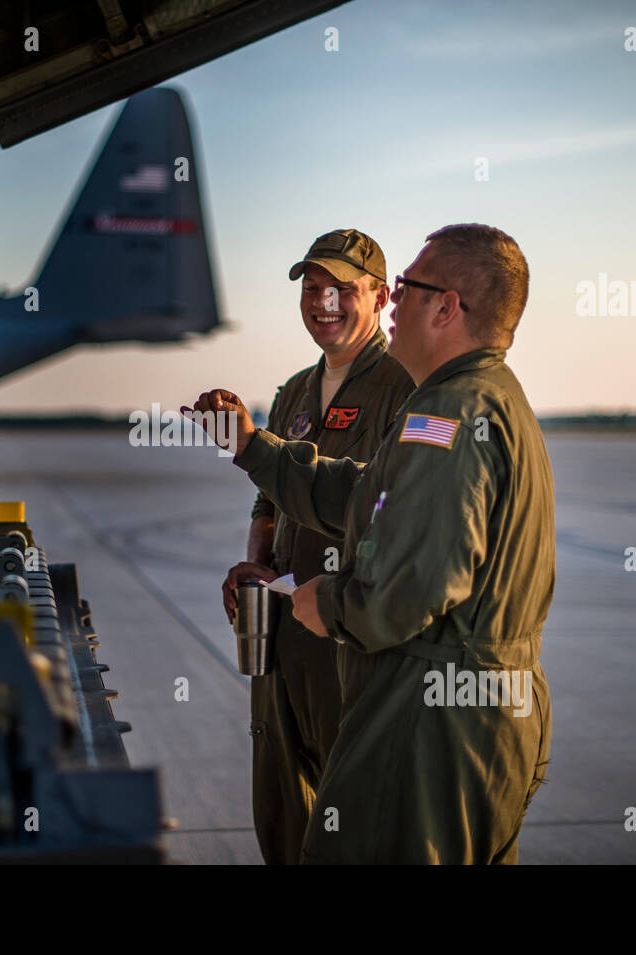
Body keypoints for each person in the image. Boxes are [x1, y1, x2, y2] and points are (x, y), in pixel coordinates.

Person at [188, 224, 553, 864]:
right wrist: (253, 449)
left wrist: (325, 603)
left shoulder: (447, 414)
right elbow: (367, 498)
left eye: (408, 287)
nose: (396, 301)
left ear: (446, 308)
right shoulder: (481, 396)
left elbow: (407, 590)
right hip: (464, 714)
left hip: (438, 722)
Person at [220, 229, 413, 864]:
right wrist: (257, 565)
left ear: (381, 297)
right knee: (280, 808)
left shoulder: (404, 389)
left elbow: (392, 513)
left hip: (349, 640)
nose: (322, 302)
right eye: (311, 288)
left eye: (341, 289)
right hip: (284, 634)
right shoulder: (295, 392)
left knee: (355, 818)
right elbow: (268, 501)